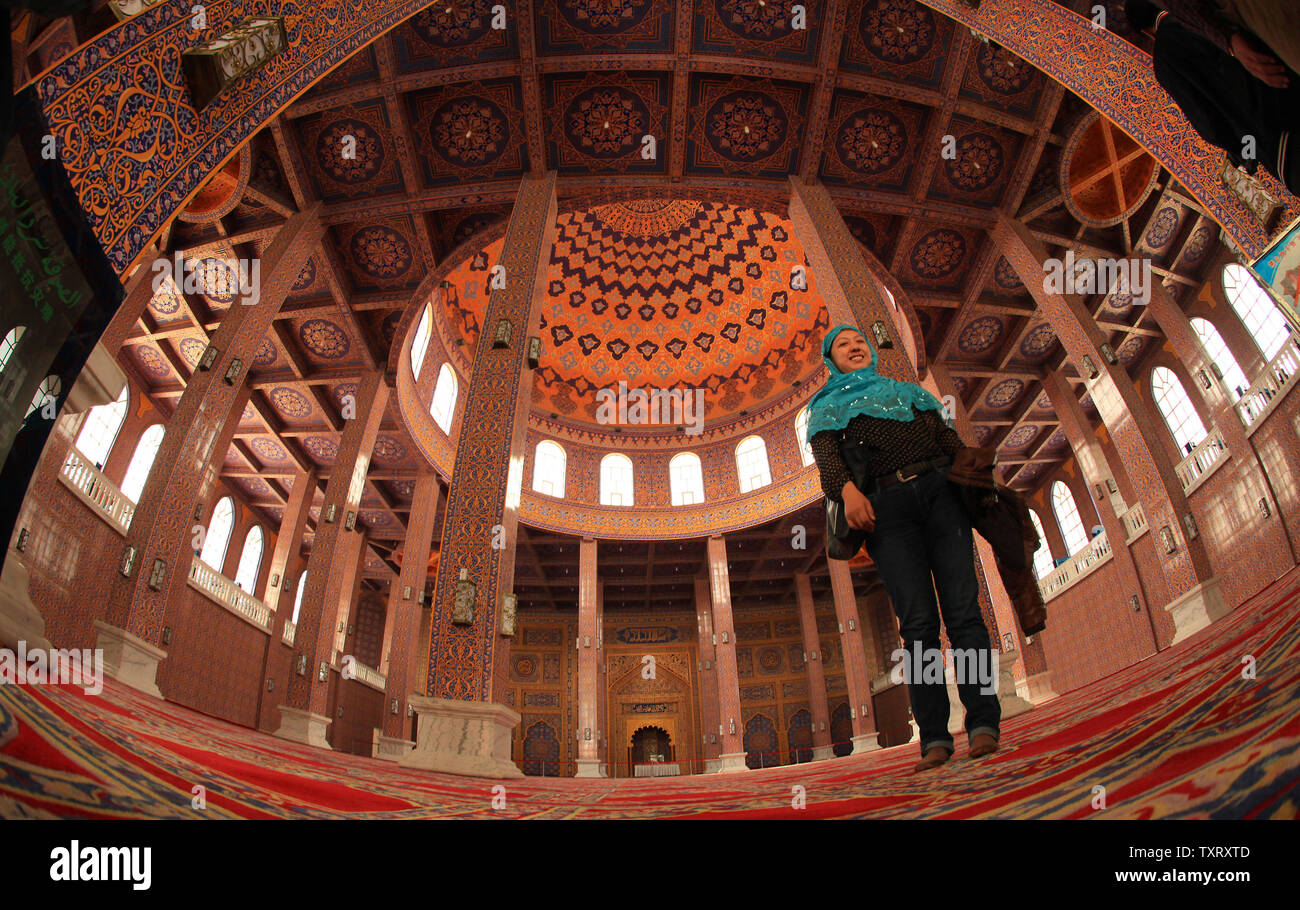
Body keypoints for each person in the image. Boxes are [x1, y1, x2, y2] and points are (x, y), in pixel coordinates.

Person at [804, 324, 1002, 773]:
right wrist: (849, 494)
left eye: (860, 342)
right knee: (917, 626)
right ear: (830, 359)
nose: (854, 347)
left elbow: (948, 443)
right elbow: (830, 464)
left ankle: (983, 723)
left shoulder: (908, 392)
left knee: (964, 612)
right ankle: (934, 736)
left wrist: (976, 478)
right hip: (886, 511)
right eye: (843, 345)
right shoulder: (826, 407)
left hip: (940, 497)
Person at [1125, 0, 1300, 194]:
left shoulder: (1164, 62)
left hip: (1279, 145)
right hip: (1288, 87)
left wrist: (1243, 151)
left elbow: (1209, 125)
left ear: (1147, 33)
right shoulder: (1211, 14)